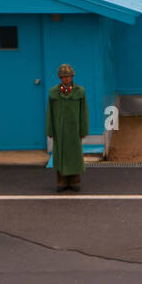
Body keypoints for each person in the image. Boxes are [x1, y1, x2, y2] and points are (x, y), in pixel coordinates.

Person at [47, 63, 88, 192]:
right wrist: (50, 129)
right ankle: (61, 181)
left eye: (69, 76)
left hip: (74, 130)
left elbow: (84, 112)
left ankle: (75, 181)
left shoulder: (80, 92)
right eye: (64, 77)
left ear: (72, 77)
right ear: (60, 78)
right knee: (60, 155)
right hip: (59, 131)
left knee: (75, 155)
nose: (66, 79)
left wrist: (83, 130)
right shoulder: (53, 92)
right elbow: (49, 113)